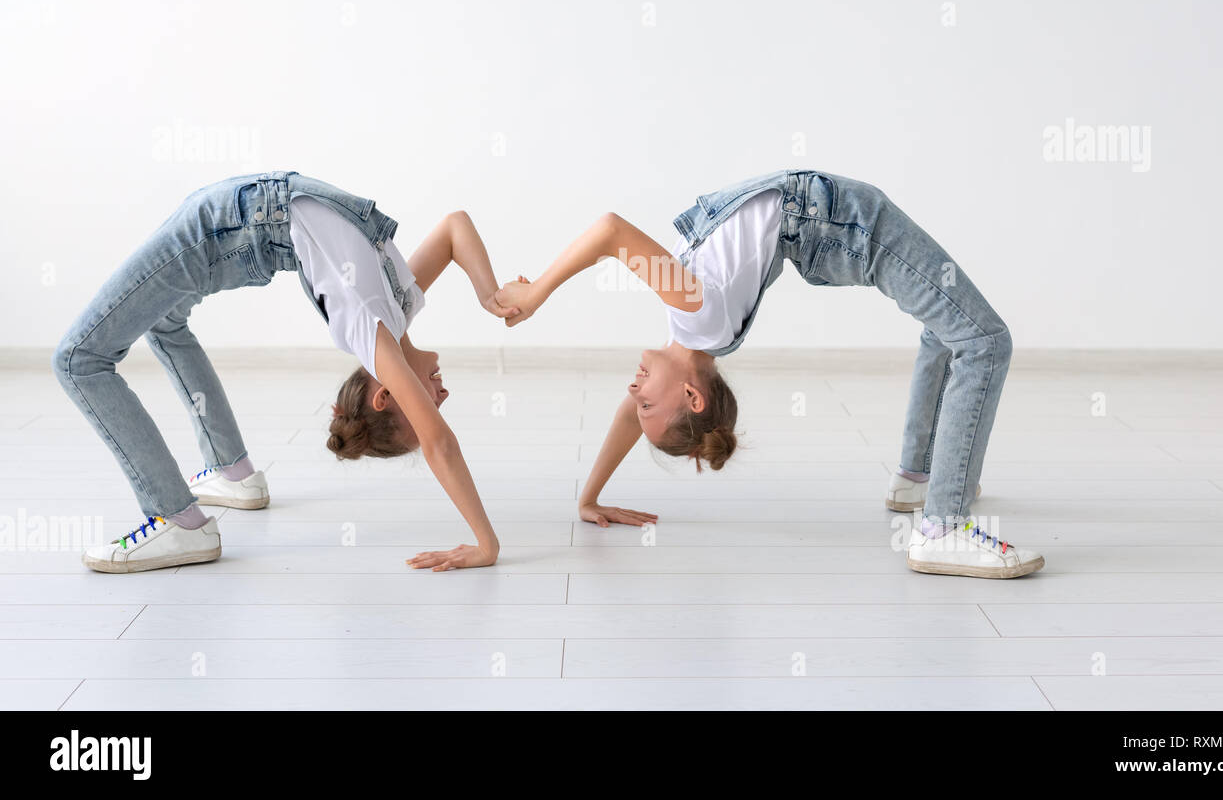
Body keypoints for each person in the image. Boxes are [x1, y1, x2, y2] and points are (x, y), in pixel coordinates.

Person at [494, 169, 1044, 579]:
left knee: (946, 326)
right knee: (982, 340)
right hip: (847, 222)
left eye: (636, 402)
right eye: (645, 404)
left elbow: (632, 416)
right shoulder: (694, 312)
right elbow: (610, 231)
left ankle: (918, 480)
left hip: (833, 223)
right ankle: (941, 529)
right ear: (691, 395)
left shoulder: (690, 330)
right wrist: (537, 293)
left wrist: (588, 497)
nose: (632, 392)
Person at [52, 171, 512, 574]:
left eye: (426, 405)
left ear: (387, 395)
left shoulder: (365, 327)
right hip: (230, 225)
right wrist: (490, 297)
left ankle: (176, 521)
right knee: (164, 320)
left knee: (79, 359)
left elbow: (439, 443)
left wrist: (486, 545)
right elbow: (456, 227)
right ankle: (233, 471)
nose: (442, 398)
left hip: (215, 232)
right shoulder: (396, 312)